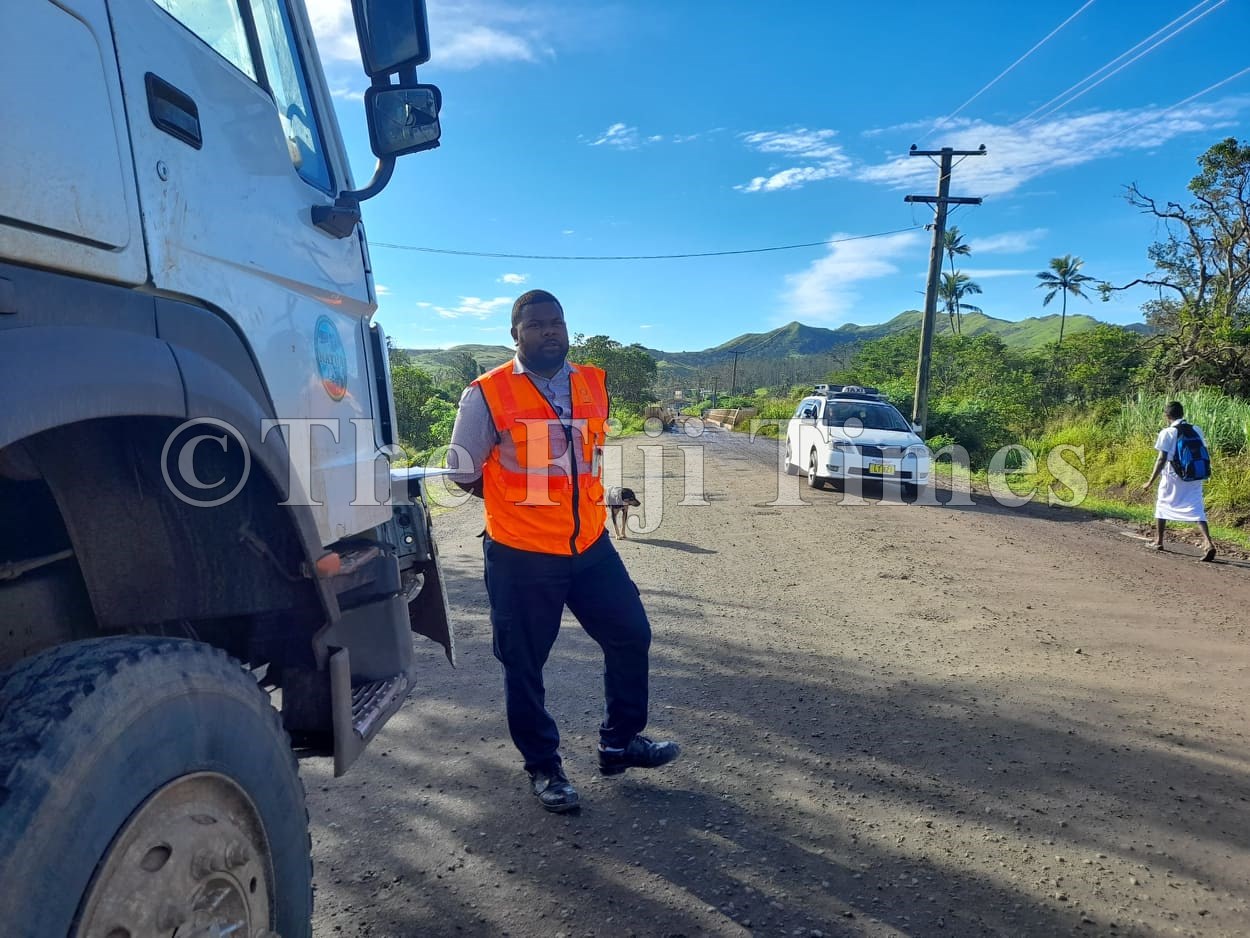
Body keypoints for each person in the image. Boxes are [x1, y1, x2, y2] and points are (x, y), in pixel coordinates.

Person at [446, 289, 679, 813]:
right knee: (524, 664)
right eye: (536, 324)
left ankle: (620, 742)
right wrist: (516, 504)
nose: (550, 330)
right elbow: (461, 470)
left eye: (557, 321)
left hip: (590, 545)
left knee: (630, 634)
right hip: (522, 554)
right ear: (515, 334)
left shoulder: (593, 382)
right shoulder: (487, 393)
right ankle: (544, 766)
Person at [1142, 401, 1217, 562]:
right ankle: (1208, 542)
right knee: (1196, 508)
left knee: (1162, 504)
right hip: (1194, 475)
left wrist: (1150, 481)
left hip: (1173, 476)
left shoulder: (1167, 433)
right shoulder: (1196, 429)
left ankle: (1158, 541)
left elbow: (1161, 459)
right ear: (1182, 414)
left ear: (1167, 416)